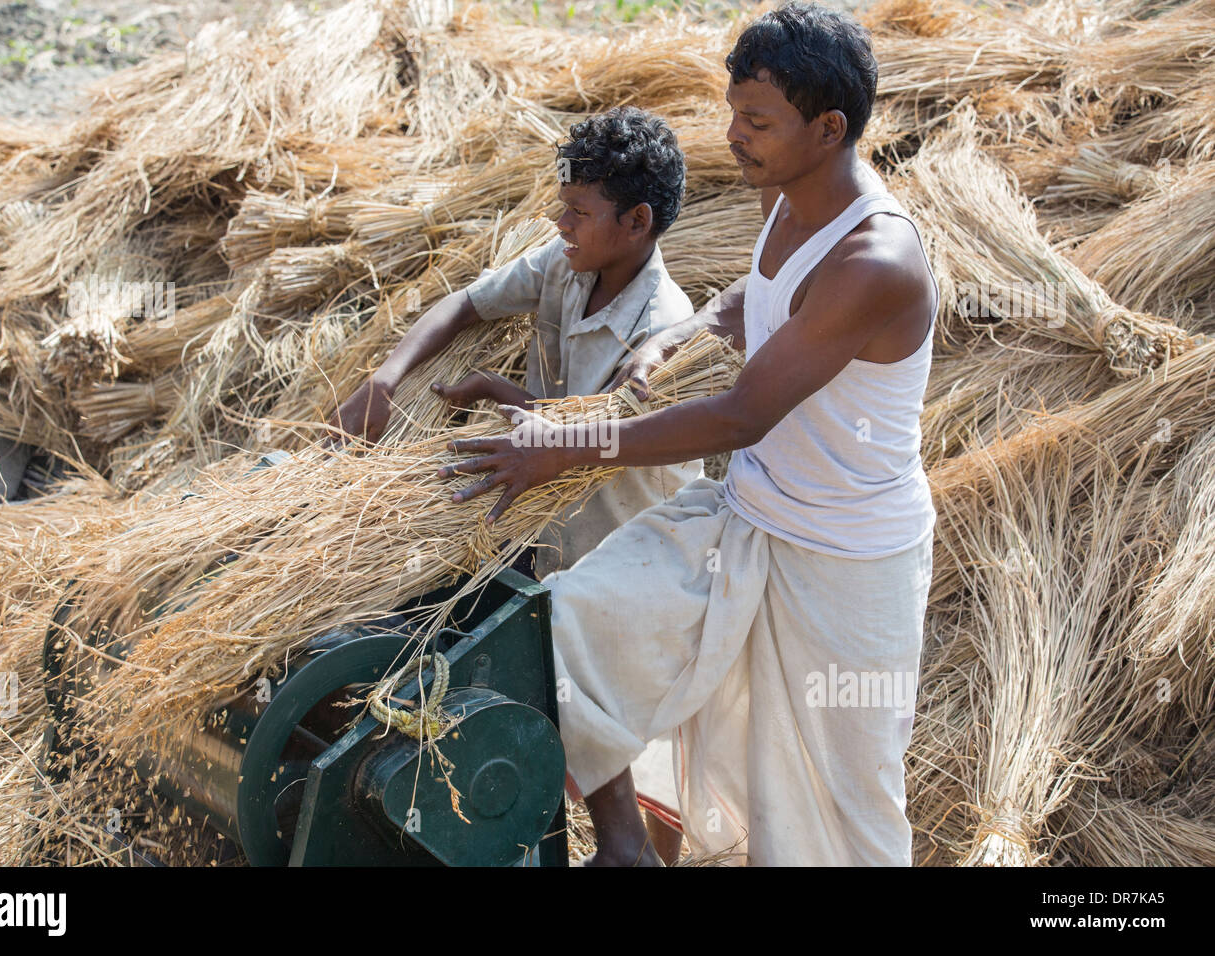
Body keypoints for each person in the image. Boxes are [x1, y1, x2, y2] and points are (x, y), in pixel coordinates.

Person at [439, 2, 939, 866]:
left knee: (841, 814)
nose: (734, 136)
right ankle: (631, 848)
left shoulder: (875, 262)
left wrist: (566, 442)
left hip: (846, 563)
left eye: (757, 121)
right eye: (733, 112)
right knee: (568, 636)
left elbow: (742, 413)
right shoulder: (787, 202)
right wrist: (689, 328)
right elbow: (756, 301)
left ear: (828, 129)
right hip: (746, 518)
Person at [331, 106, 701, 580]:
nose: (562, 223)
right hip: (542, 515)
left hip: (621, 542)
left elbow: (581, 443)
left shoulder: (661, 331)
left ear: (636, 221)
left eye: (580, 211)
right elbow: (465, 305)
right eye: (564, 205)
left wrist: (492, 388)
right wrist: (385, 380)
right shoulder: (566, 260)